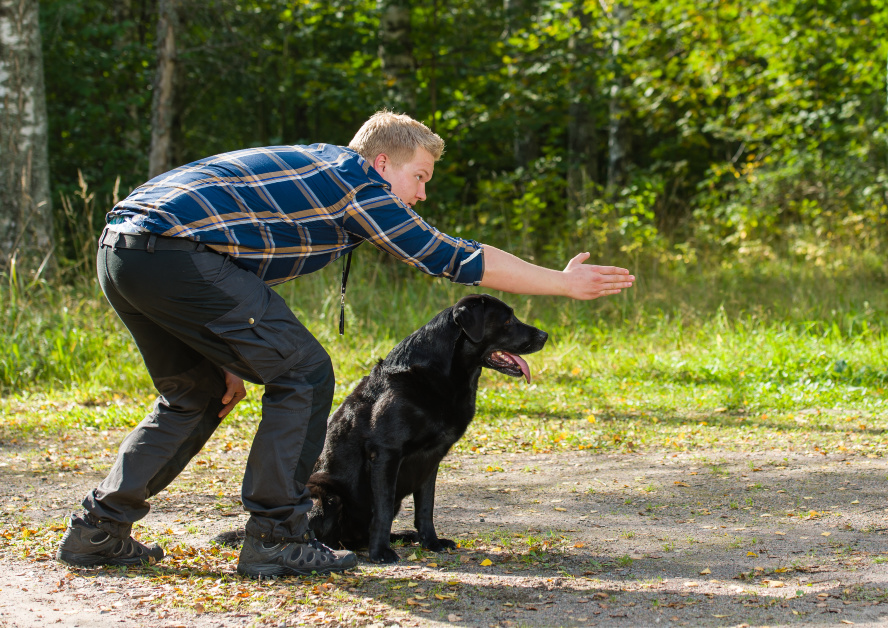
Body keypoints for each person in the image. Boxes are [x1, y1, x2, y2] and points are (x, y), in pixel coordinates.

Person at [56, 111, 635, 576]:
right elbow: (451, 256)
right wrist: (560, 283)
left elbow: (227, 257)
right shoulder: (355, 182)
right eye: (420, 177)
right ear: (383, 162)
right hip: (173, 252)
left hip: (126, 250)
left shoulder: (315, 174)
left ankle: (98, 529)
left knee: (197, 394)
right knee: (304, 373)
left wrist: (221, 359)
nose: (422, 195)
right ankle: (278, 536)